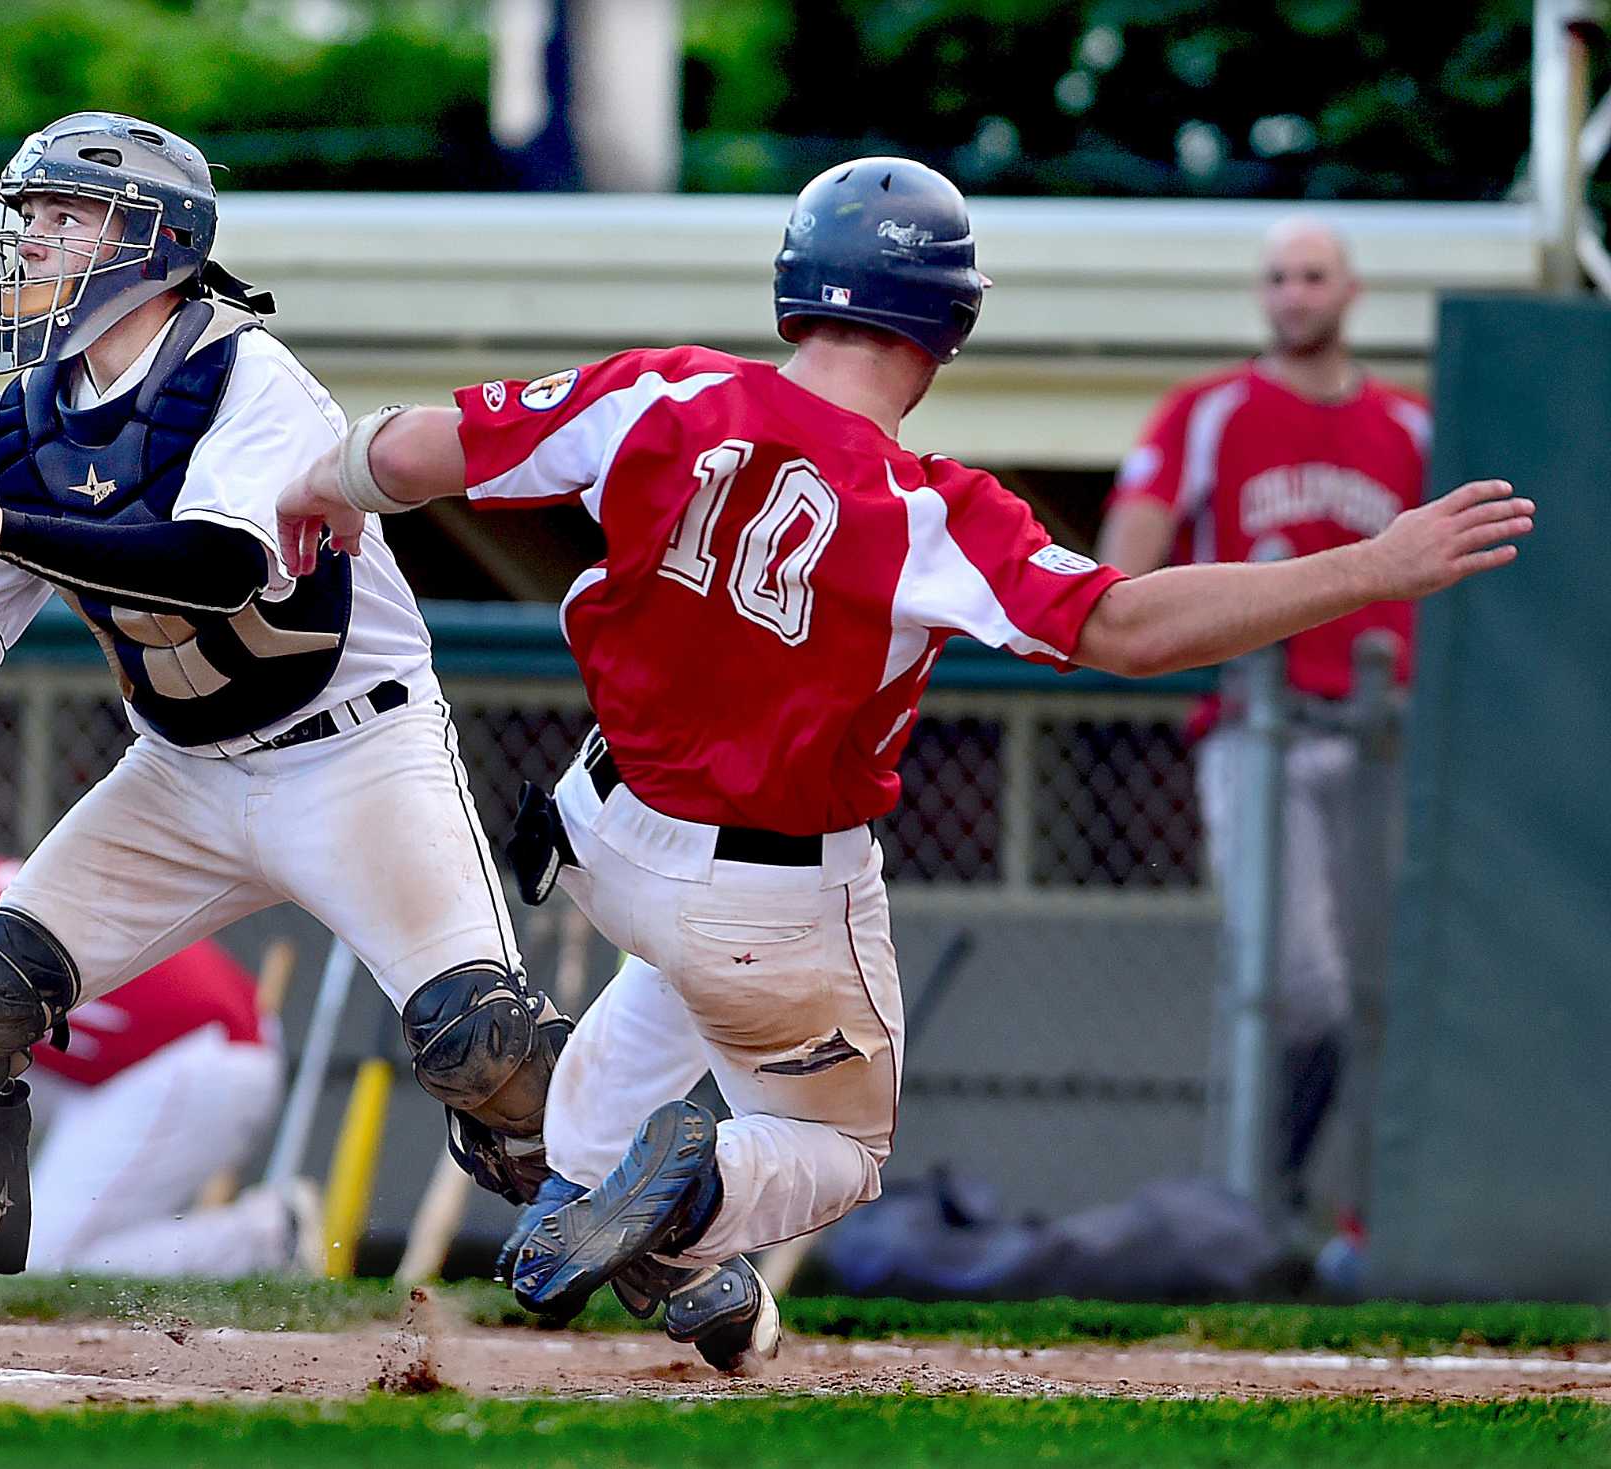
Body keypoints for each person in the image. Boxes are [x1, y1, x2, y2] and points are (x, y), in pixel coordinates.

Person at [275, 158, 1532, 1367]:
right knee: (838, 1147)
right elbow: (1127, 627)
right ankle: (693, 1187)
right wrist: (1372, 566)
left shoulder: (659, 390)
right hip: (765, 895)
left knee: (645, 1041)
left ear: (794, 287)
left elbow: (417, 449)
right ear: (948, 321)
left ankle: (602, 1193)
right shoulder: (930, 506)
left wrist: (321, 481)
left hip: (601, 834)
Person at [0, 113, 572, 1354]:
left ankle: (688, 1258)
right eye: (31, 217)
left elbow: (216, 566)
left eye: (69, 216)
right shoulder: (4, 427)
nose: (35, 241)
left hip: (352, 752)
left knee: (480, 1046)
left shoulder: (239, 374)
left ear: (155, 241)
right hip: (179, 772)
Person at [1096, 217, 1428, 1229]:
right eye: (1276, 277)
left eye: (1311, 275)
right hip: (1257, 724)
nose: (1292, 293)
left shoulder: (1409, 426)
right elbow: (1121, 567)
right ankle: (1265, 1197)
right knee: (1302, 988)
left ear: (1350, 290)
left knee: (1393, 988)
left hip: (1385, 732)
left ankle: (1363, 1219)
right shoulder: (1208, 413)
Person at [0, 762, 313, 1277]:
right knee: (29, 1229)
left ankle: (266, 1239)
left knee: (43, 1263)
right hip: (183, 1056)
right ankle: (261, 1239)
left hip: (188, 1058)